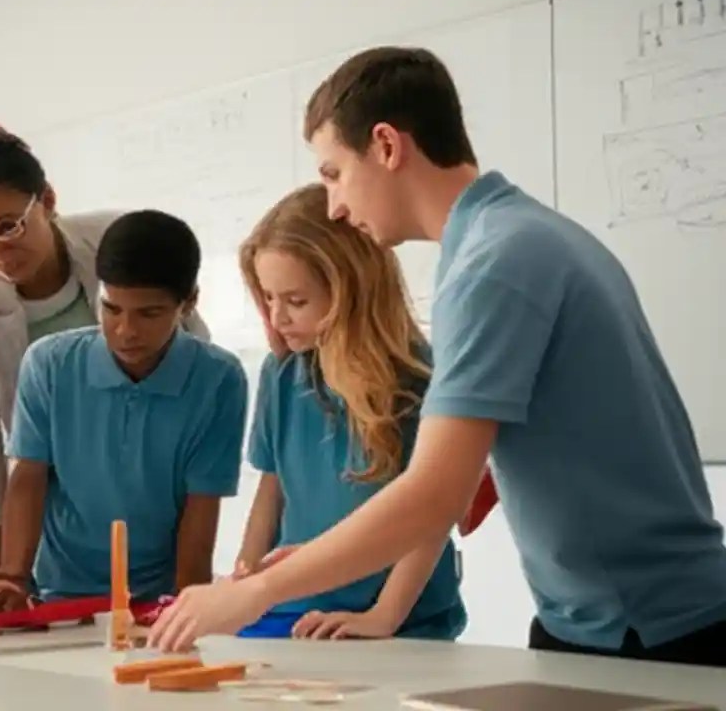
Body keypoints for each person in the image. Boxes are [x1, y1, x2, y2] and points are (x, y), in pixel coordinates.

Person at [150, 46, 726, 668]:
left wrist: (254, 592)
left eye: (334, 172)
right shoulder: (515, 237)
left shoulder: (494, 264)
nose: (336, 205)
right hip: (591, 620)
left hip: (648, 630)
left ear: (387, 146)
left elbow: (433, 497)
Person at [0, 121, 210, 581]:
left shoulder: (118, 240)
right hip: (50, 524)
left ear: (46, 200)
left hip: (155, 494)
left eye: (8, 226)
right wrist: (10, 578)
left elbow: (192, 359)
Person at [0, 210, 246, 610]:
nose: (126, 331)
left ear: (188, 303)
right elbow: (28, 476)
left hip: (155, 600)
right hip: (61, 595)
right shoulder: (49, 365)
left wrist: (185, 601)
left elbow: (202, 504)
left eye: (149, 313)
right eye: (111, 308)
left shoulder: (219, 380)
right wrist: (12, 578)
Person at [233, 185, 465, 642]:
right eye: (268, 298)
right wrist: (245, 581)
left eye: (296, 301)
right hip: (298, 609)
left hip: (399, 618)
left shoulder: (417, 377)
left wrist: (383, 616)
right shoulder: (282, 370)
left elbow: (432, 513)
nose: (278, 318)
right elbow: (272, 488)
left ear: (349, 290)